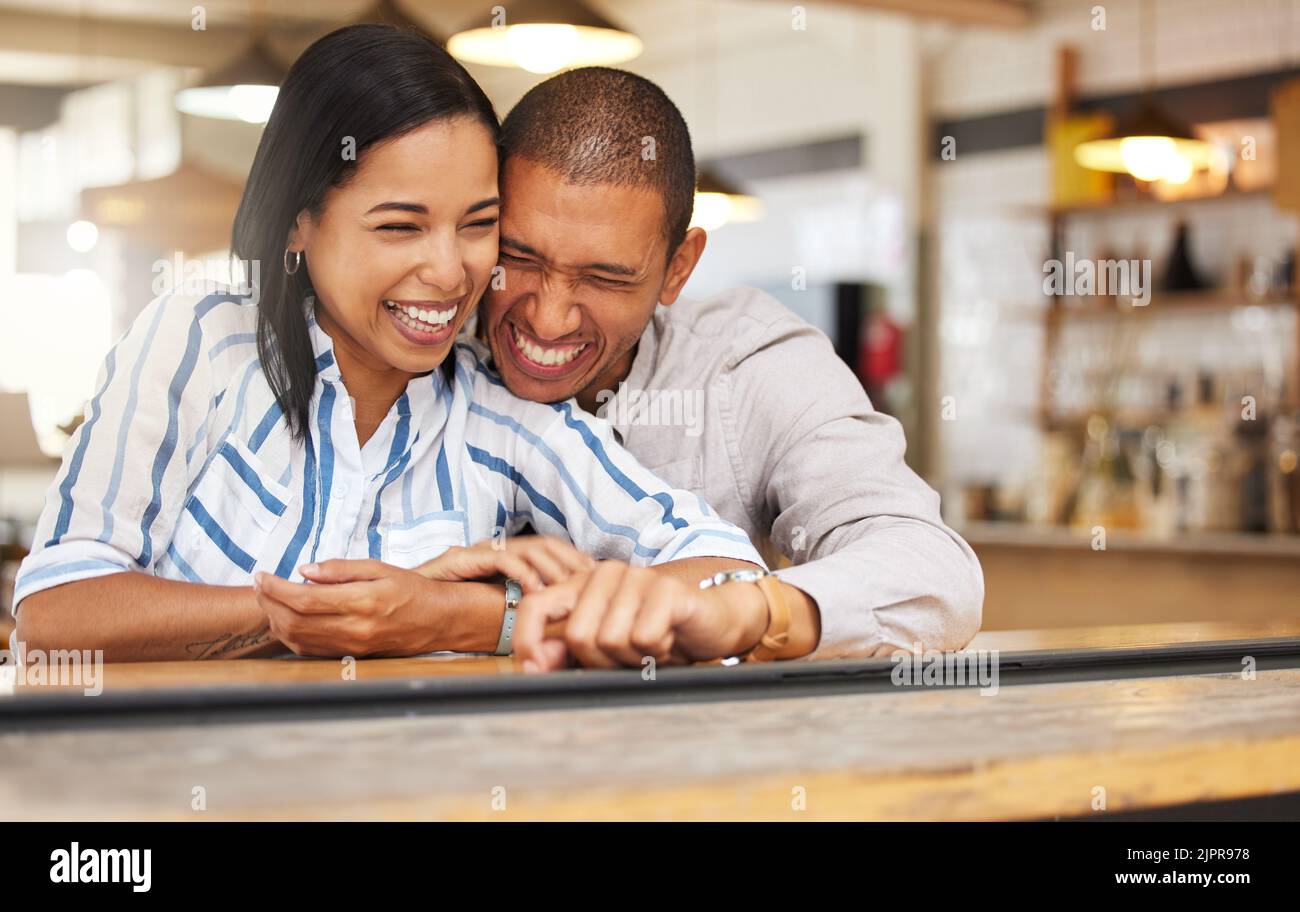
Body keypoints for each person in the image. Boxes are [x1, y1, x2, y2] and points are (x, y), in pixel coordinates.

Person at [12, 26, 768, 664]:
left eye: (478, 226)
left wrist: (455, 616)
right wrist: (317, 611)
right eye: (400, 226)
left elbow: (730, 574)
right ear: (298, 222)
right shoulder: (203, 342)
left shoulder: (498, 414)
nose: (449, 272)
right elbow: (53, 619)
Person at [475, 68, 985, 671]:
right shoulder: (414, 349)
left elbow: (934, 573)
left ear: (678, 269)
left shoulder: (747, 367)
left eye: (605, 278)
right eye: (517, 256)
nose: (549, 318)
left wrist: (750, 611)